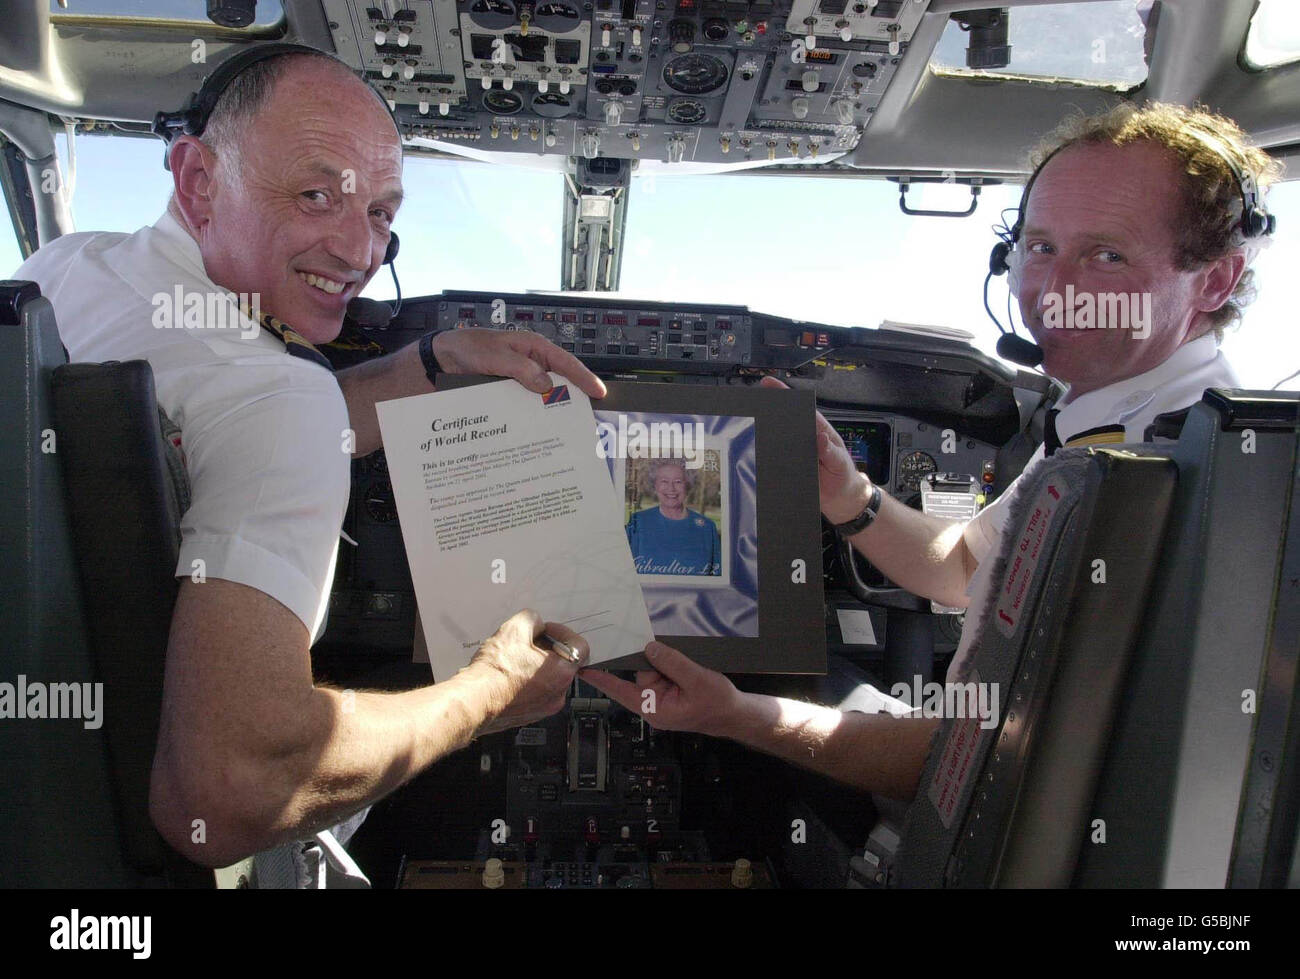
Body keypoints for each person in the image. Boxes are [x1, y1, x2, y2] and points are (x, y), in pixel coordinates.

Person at [13, 48, 615, 871]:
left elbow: (234, 421)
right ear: (197, 179)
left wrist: (426, 363)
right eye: (316, 194)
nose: (357, 248)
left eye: (378, 211)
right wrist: (488, 691)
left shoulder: (67, 268)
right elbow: (224, 792)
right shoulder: (279, 399)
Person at [582, 101, 1283, 802]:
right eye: (1039, 247)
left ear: (1214, 281)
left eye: (1106, 254)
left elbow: (956, 764)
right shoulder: (1122, 421)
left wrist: (735, 715)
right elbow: (967, 565)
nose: (1052, 290)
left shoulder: (1157, 477)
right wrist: (850, 498)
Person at [625, 458, 722, 576]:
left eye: (678, 481)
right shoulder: (638, 522)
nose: (671, 488)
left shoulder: (707, 528)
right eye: (664, 481)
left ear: (687, 486)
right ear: (655, 485)